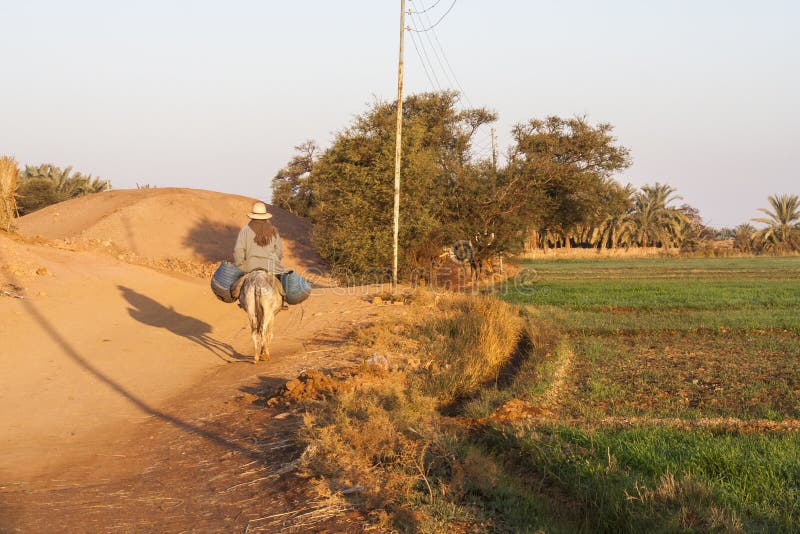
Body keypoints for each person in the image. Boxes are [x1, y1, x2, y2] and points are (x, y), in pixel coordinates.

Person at [234, 201, 288, 308]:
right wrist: (277, 261)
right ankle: (282, 301)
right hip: (270, 266)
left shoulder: (245, 230)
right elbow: (279, 252)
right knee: (282, 279)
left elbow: (239, 250)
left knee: (239, 281)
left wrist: (240, 265)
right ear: (265, 216)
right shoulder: (273, 230)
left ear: (252, 216)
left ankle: (242, 299)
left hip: (249, 266)